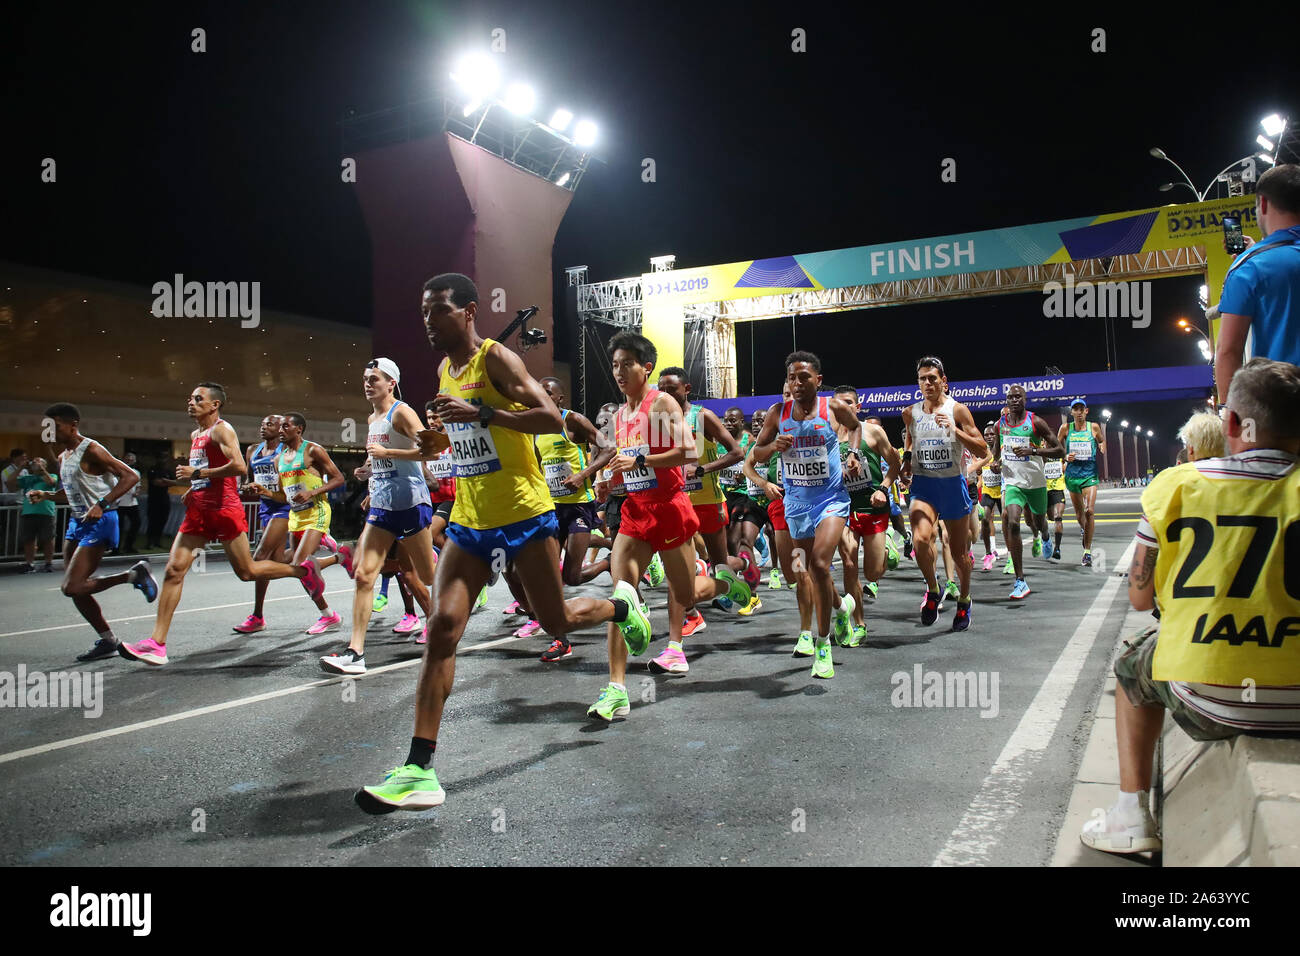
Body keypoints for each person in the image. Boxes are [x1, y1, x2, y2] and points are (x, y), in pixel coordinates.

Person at [354, 273, 650, 812]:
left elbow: (551, 417)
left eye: (438, 309)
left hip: (524, 514)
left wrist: (484, 412)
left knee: (555, 619)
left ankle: (618, 605)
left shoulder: (496, 359)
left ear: (469, 311)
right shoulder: (446, 369)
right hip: (470, 519)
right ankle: (420, 768)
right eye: (422, 310)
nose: (427, 320)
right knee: (442, 627)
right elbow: (462, 439)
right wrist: (439, 439)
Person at [1081, 358, 1300, 854]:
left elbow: (1140, 598)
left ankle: (1131, 816)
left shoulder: (1176, 485)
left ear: (1230, 425)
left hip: (1211, 702)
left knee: (1133, 668)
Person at [590, 331, 750, 694]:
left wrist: (640, 459)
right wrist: (608, 479)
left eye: (627, 364)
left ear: (645, 368)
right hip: (636, 511)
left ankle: (727, 582)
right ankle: (616, 690)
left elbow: (686, 452)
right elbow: (626, 461)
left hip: (670, 510)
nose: (619, 372)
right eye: (615, 365)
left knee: (686, 595)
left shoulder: (659, 405)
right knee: (622, 594)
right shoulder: (620, 417)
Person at [118, 383, 321, 666]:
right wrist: (196, 485)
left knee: (248, 571)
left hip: (224, 509)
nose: (191, 402)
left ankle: (301, 570)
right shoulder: (195, 434)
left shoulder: (222, 430)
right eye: (190, 398)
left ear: (215, 405)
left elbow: (238, 466)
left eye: (198, 399)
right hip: (199, 510)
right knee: (174, 570)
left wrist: (198, 472)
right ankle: (157, 643)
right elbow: (206, 472)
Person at [320, 359, 434, 675]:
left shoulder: (402, 412)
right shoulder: (373, 417)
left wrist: (390, 455)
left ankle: (445, 621)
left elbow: (431, 450)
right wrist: (370, 471)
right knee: (363, 574)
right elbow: (384, 461)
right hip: (382, 507)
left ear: (391, 384)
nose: (368, 383)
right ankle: (355, 653)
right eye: (366, 378)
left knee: (427, 576)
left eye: (375, 378)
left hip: (410, 504)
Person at [752, 351, 860, 676]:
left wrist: (853, 454)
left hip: (830, 500)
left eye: (803, 378)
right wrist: (773, 448)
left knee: (820, 564)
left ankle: (822, 643)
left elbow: (856, 427)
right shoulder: (777, 413)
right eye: (791, 378)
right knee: (801, 571)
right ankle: (842, 608)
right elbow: (756, 453)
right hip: (795, 506)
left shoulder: (833, 408)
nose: (797, 384)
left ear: (818, 380)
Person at [26, 403, 158, 661]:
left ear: (72, 424)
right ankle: (109, 640)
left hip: (101, 520)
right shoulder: (64, 456)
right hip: (77, 522)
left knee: (71, 586)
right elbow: (73, 491)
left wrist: (102, 503)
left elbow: (130, 476)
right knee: (77, 589)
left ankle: (133, 575)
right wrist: (48, 494)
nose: (50, 432)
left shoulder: (92, 449)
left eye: (55, 426)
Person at [900, 357, 987, 629]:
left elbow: (983, 449)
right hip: (923, 485)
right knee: (920, 539)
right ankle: (933, 589)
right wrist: (905, 462)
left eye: (932, 378)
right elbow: (910, 440)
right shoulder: (910, 413)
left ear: (943, 381)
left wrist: (954, 432)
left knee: (960, 554)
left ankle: (964, 599)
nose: (927, 383)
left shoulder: (958, 410)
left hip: (951, 484)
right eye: (922, 378)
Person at [1213, 164, 1300, 400]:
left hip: (1283, 410)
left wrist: (1232, 417)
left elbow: (1228, 351)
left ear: (1262, 204)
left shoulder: (1249, 268)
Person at [831, 386, 901, 642]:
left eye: (849, 403)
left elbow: (895, 462)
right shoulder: (828, 437)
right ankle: (858, 623)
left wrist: (883, 488)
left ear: (857, 407)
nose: (844, 408)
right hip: (843, 509)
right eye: (838, 404)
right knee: (849, 565)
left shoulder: (872, 432)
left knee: (872, 574)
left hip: (873, 507)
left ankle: (887, 547)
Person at [274, 412, 354, 635]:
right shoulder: (277, 460)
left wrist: (313, 492)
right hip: (296, 517)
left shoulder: (312, 450)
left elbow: (339, 478)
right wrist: (262, 492)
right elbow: (284, 495)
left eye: (285, 426)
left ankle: (338, 554)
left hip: (317, 511)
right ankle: (328, 615)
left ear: (298, 429)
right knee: (298, 569)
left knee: (301, 564)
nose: (281, 430)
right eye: (279, 427)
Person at [994, 385, 1063, 600]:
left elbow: (1060, 450)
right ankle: (1020, 580)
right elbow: (996, 451)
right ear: (1006, 401)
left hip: (1036, 483)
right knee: (1012, 521)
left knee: (1039, 519)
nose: (1014, 400)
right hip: (1013, 483)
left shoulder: (1036, 422)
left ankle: (1044, 536)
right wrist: (995, 463)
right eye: (1010, 397)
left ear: (1025, 399)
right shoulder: (1000, 425)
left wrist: (1033, 451)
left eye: (1018, 397)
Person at [232, 414, 293, 633]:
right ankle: (330, 559)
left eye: (269, 424)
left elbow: (290, 486)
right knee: (278, 560)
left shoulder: (286, 454)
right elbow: (249, 478)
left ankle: (257, 616)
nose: (263, 427)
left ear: (280, 429)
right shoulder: (252, 451)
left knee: (259, 558)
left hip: (285, 507)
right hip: (266, 508)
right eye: (262, 424)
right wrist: (249, 486)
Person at [1059, 399, 1105, 567]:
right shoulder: (1065, 428)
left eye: (1081, 409)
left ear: (1086, 411)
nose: (1078, 412)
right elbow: (1057, 447)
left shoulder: (1094, 427)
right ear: (1071, 412)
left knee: (1089, 511)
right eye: (1075, 409)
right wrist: (1065, 457)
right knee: (1080, 515)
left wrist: (1102, 446)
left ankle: (1087, 551)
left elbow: (1101, 440)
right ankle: (1085, 531)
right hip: (1072, 476)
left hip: (1089, 474)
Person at [16, 455, 58, 573]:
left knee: (48, 538)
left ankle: (48, 563)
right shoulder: (27, 478)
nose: (36, 464)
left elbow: (52, 483)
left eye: (39, 463)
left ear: (44, 465)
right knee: (29, 539)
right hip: (28, 512)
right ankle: (30, 563)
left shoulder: (52, 475)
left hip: (46, 512)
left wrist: (42, 470)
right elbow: (10, 483)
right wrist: (20, 468)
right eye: (35, 463)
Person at [974, 423, 1002, 571]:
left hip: (1002, 490)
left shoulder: (1001, 450)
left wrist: (1000, 468)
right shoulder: (982, 452)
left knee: (1008, 521)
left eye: (992, 434)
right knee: (985, 518)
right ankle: (989, 551)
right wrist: (978, 470)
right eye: (987, 435)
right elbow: (978, 470)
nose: (989, 437)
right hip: (988, 491)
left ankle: (1011, 556)